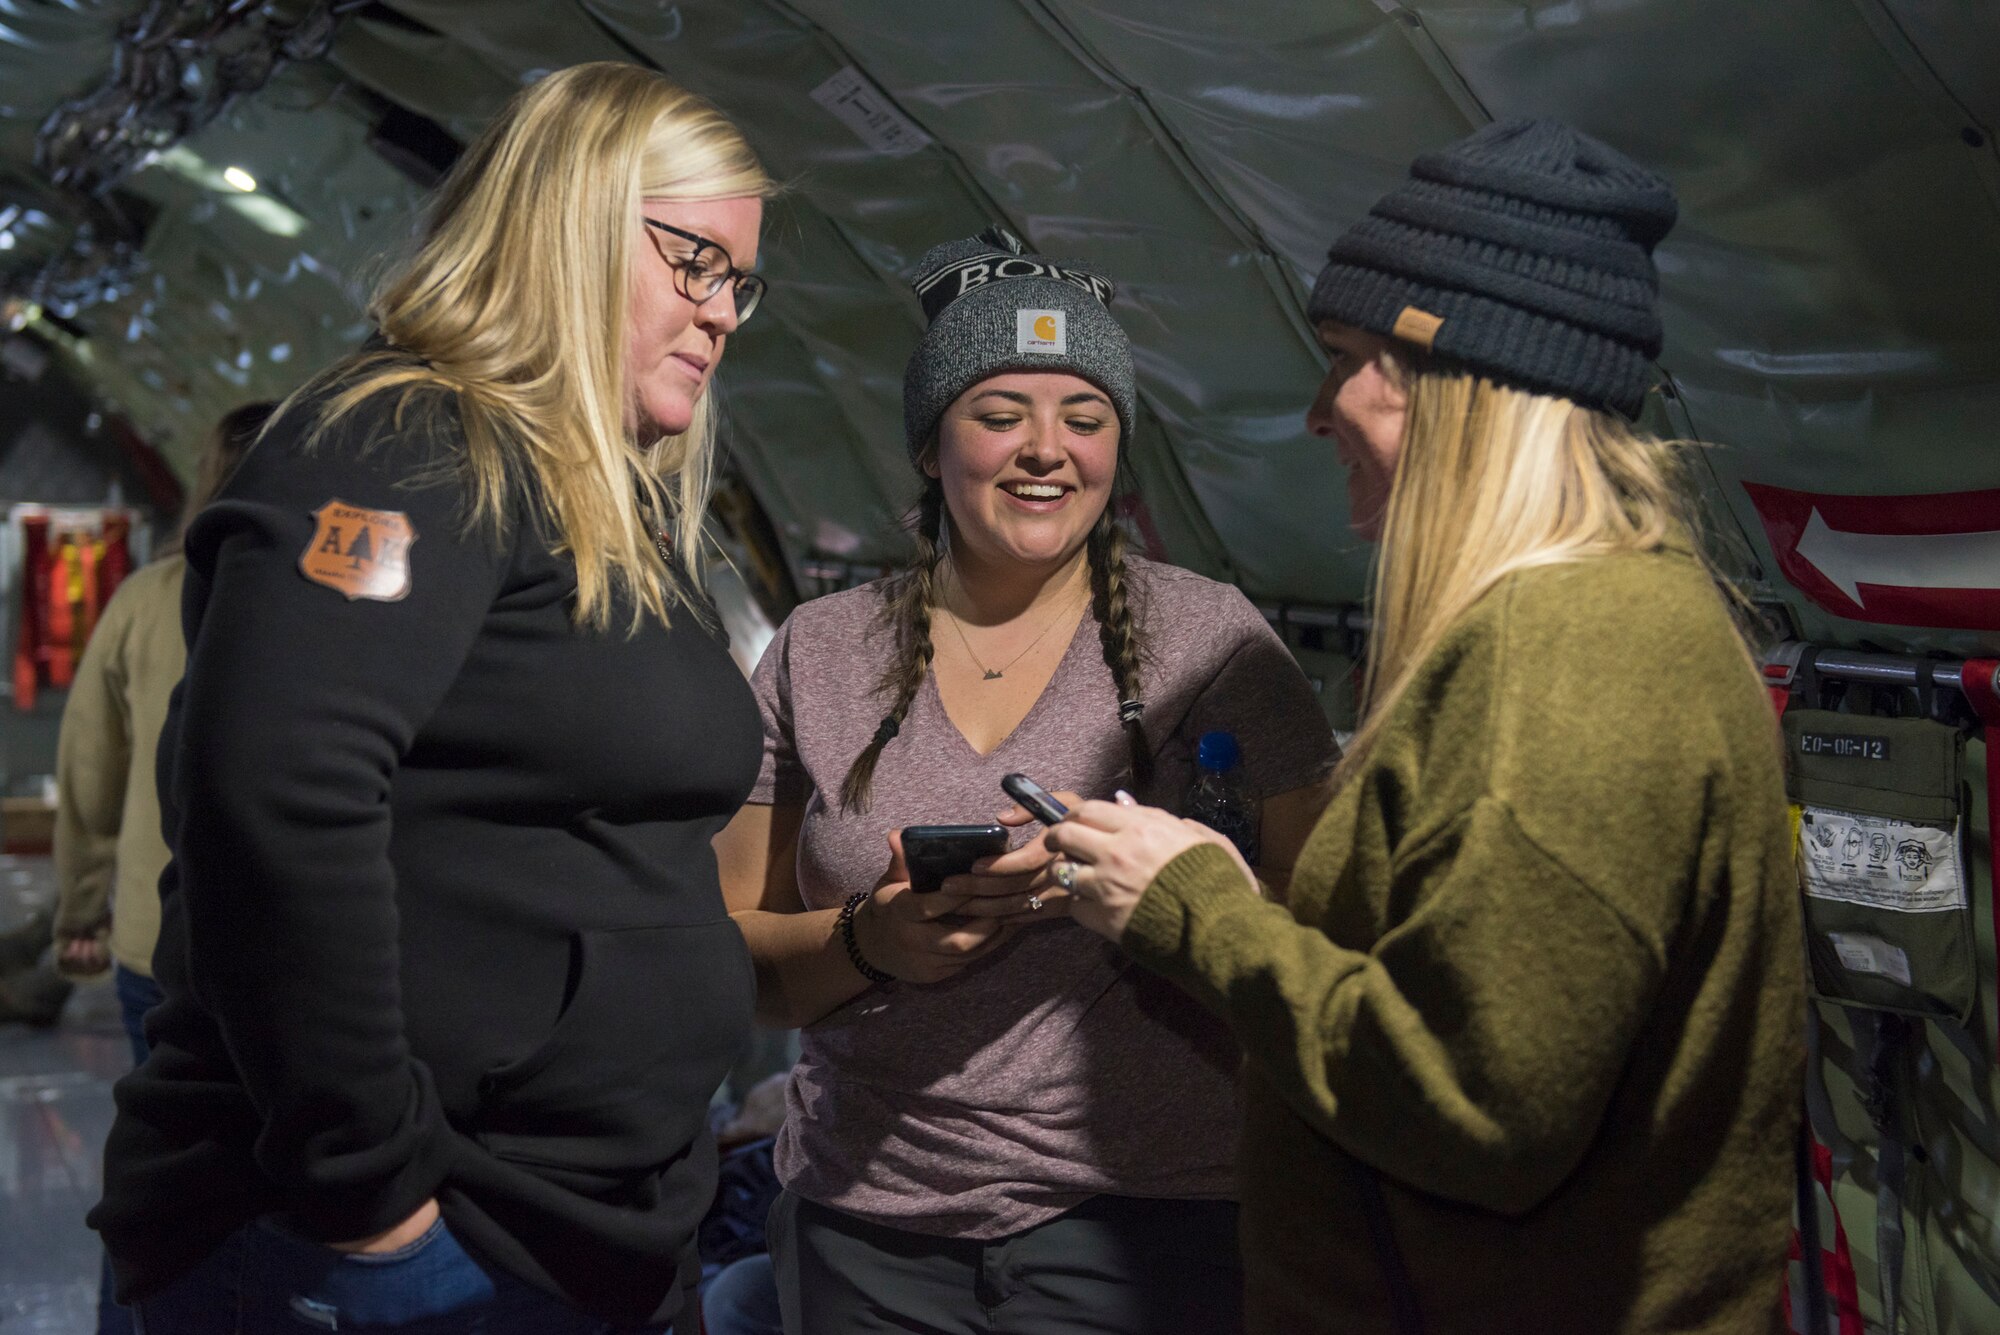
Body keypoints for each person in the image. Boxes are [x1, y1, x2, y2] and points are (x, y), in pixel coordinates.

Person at [1033, 119, 1805, 1334]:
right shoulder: (1585, 623)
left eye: (1341, 357)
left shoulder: (1570, 657)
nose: (1314, 411)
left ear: (1450, 385)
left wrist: (1199, 915)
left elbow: (1473, 1104)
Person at [89, 62, 774, 1335]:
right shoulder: (410, 440)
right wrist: (369, 1189)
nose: (722, 311)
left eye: (739, 280)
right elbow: (275, 791)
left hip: (578, 1226)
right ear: (567, 224)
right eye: (692, 261)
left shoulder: (604, 502)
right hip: (410, 1244)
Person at [715, 227, 1339, 1334]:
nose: (1045, 449)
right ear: (927, 445)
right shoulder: (819, 653)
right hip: (867, 1224)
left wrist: (1177, 901)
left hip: (1148, 1221)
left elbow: (1325, 936)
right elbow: (731, 956)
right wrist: (876, 938)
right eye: (999, 414)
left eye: (1083, 418)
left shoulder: (1214, 644)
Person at [50, 399, 272, 1335]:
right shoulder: (325, 596)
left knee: (158, 1157)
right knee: (270, 1169)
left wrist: (80, 907)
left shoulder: (145, 598)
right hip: (277, 943)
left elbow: (87, 766)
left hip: (152, 938)